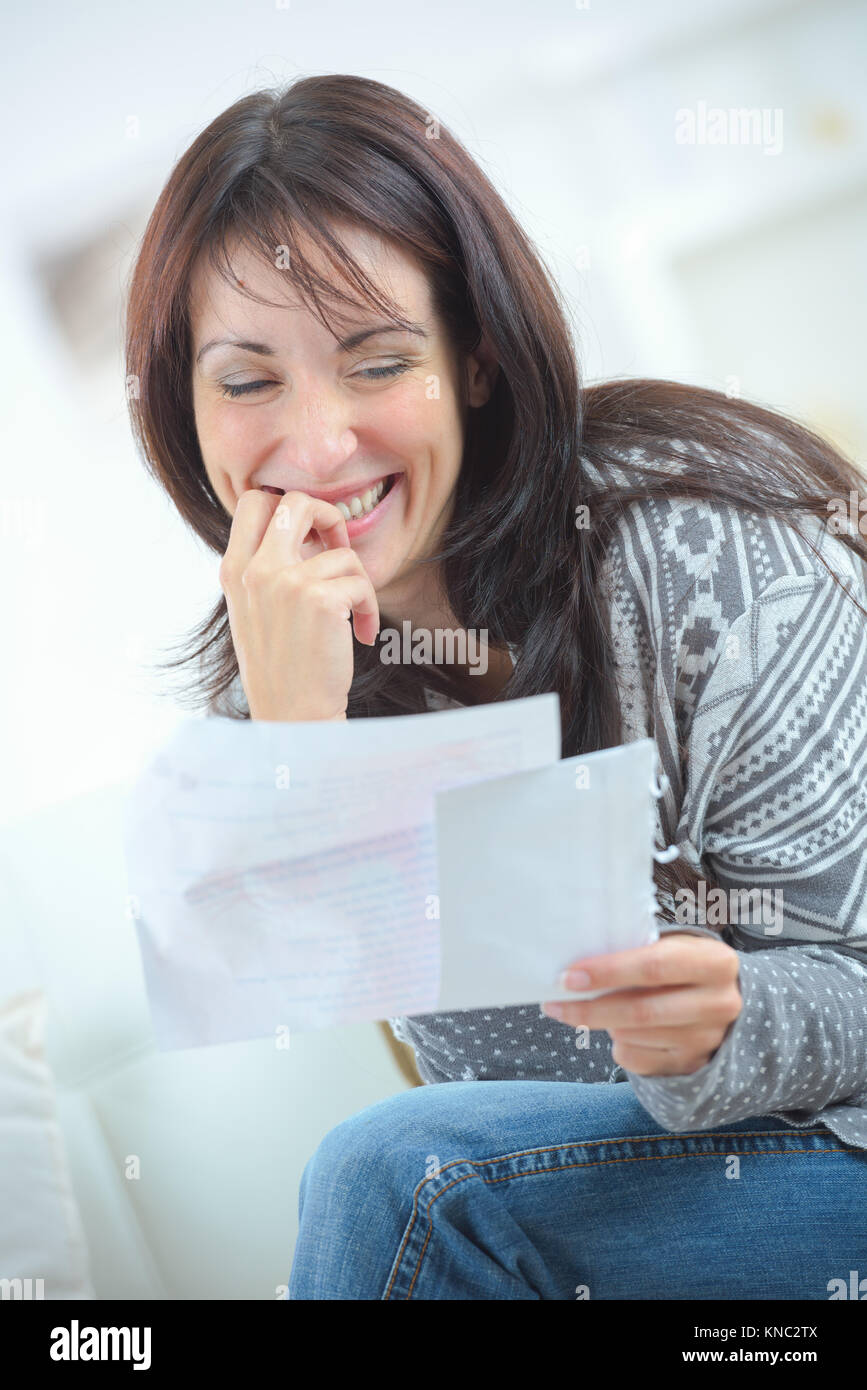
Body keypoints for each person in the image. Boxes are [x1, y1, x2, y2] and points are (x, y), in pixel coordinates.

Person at [124, 74, 867, 1299]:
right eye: (248, 381)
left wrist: (729, 1024)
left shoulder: (699, 553)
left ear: (474, 357)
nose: (318, 446)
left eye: (377, 362)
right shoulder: (288, 679)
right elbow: (455, 1088)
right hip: (646, 1220)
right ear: (184, 407)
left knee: (396, 1176)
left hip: (841, 1148)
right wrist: (296, 749)